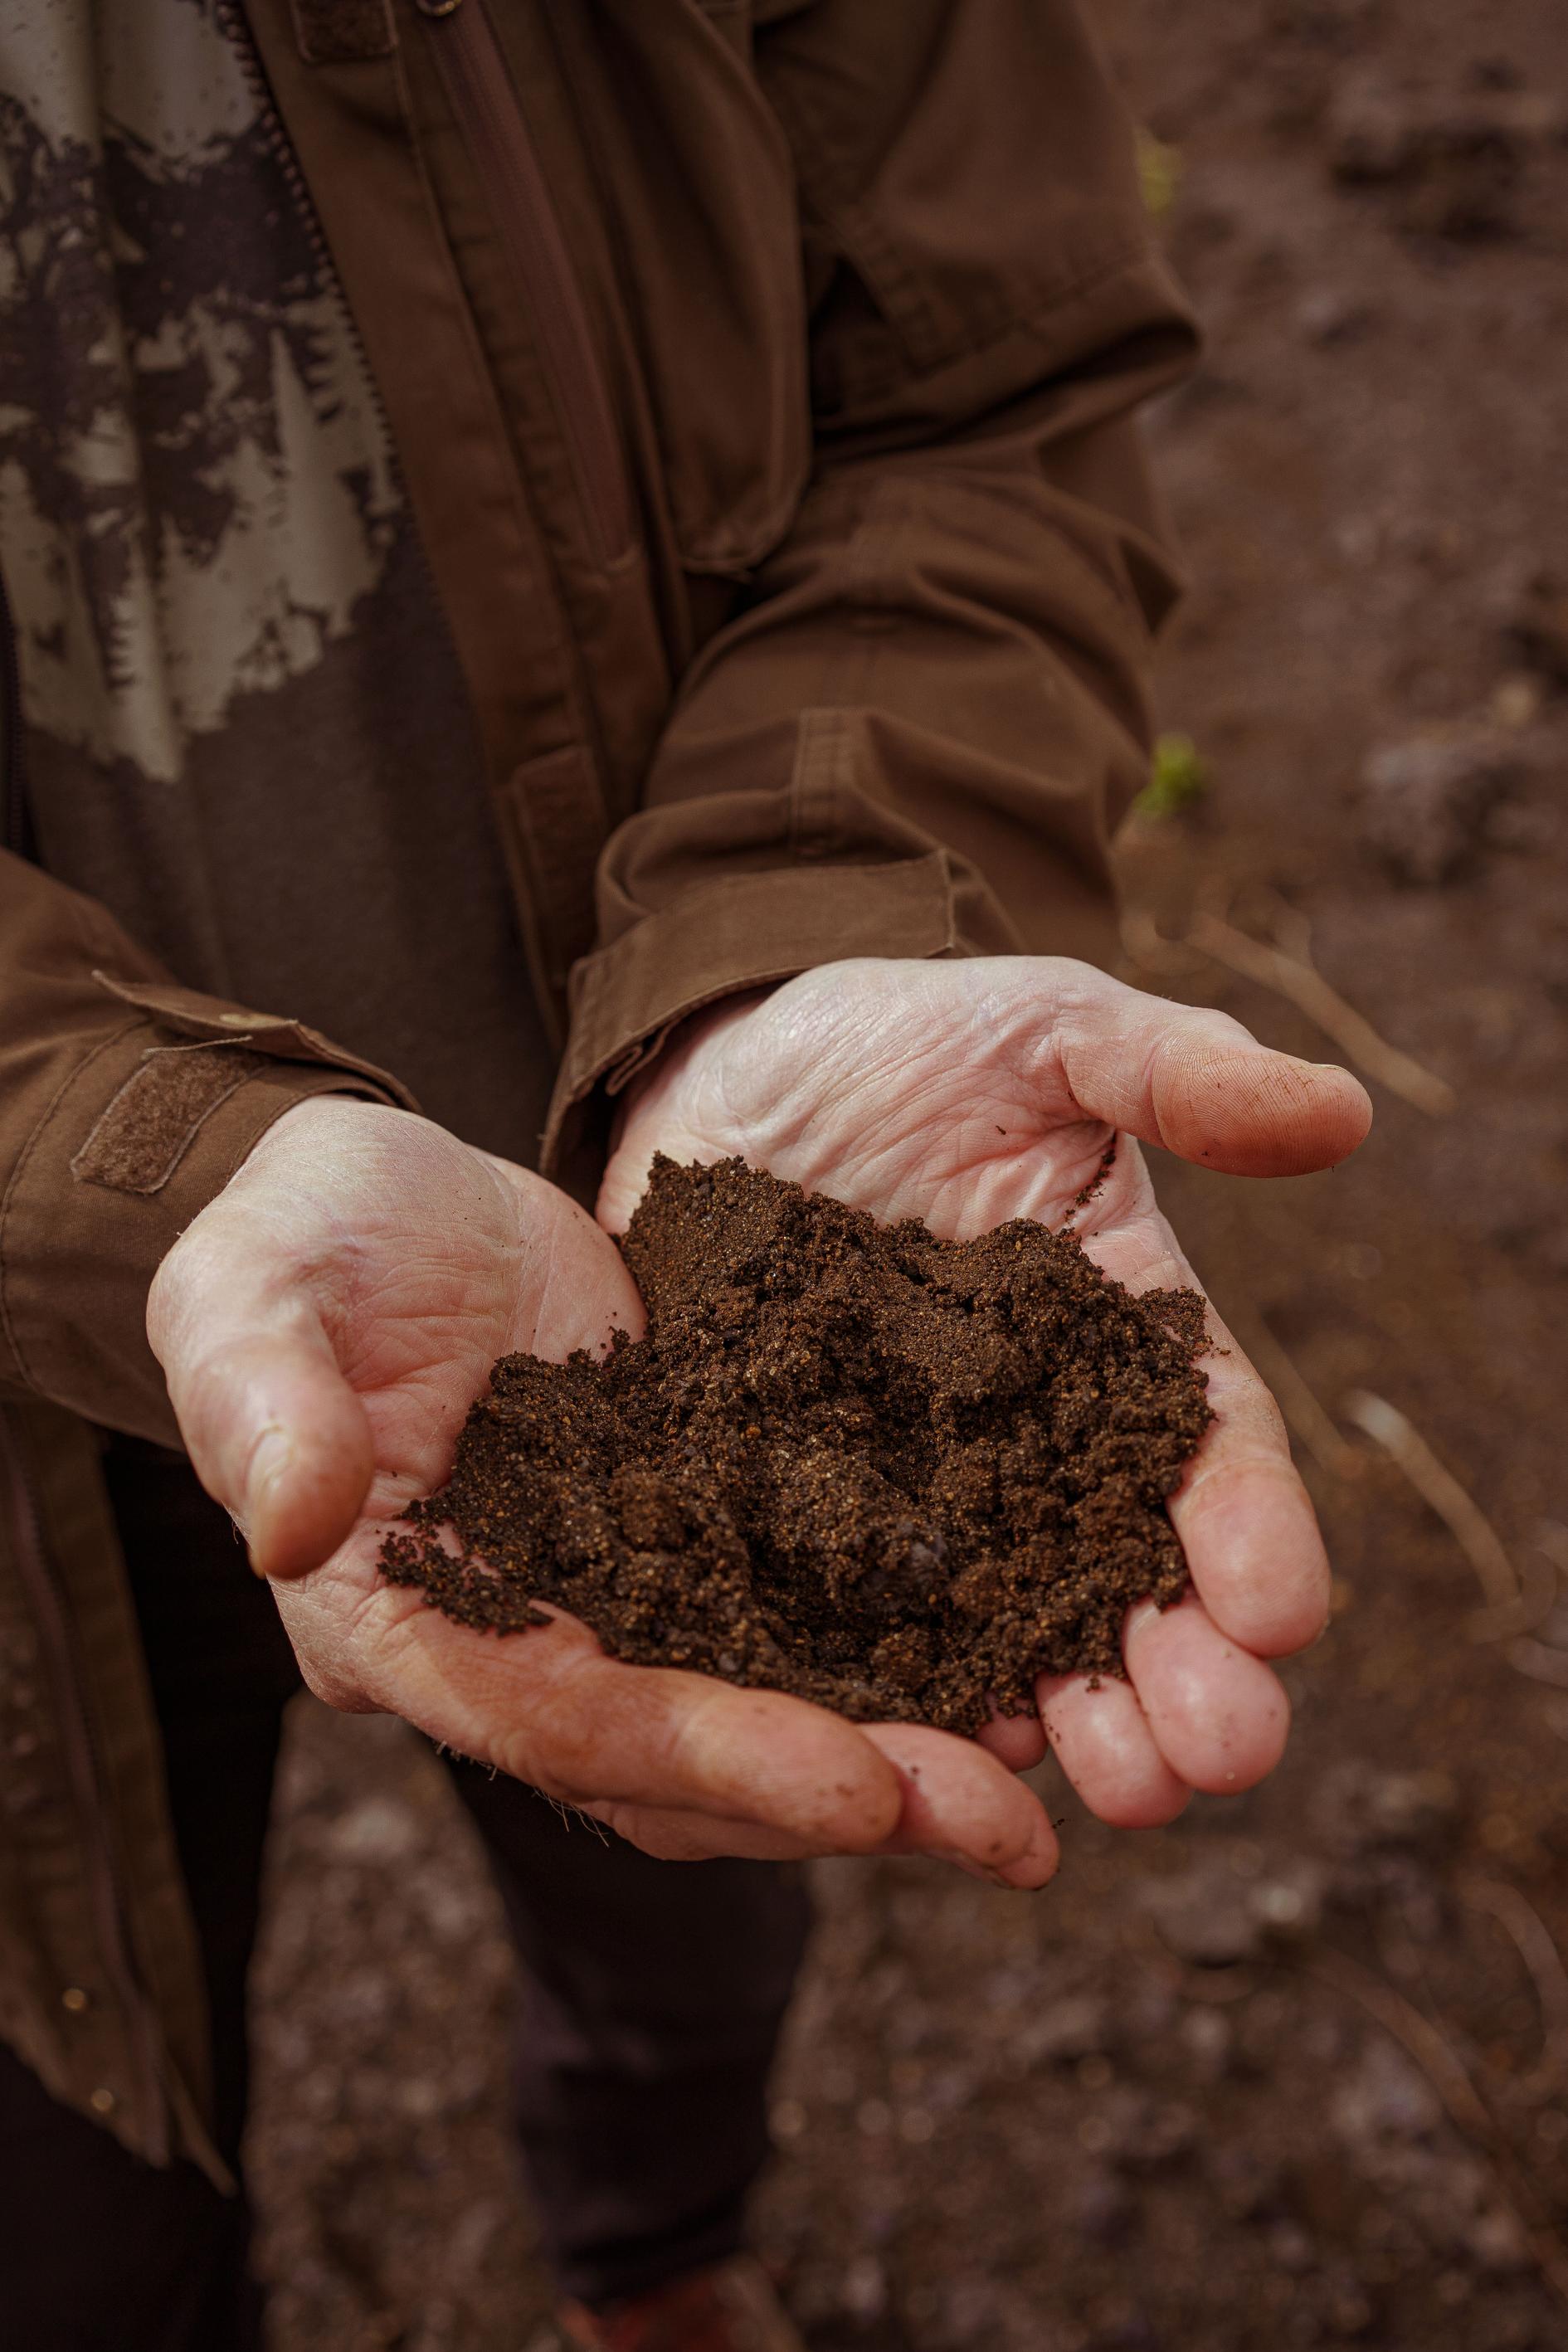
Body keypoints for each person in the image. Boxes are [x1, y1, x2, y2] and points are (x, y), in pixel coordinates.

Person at [0, 4, 1371, 2347]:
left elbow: (973, 385)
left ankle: (649, 2248)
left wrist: (814, 913)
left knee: (706, 1874)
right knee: (79, 2202)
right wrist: (127, 1164)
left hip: (578, 1206)